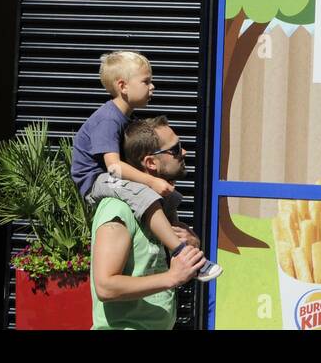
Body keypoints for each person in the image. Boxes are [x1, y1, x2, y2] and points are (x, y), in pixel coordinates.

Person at [71, 50, 220, 281]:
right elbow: (113, 167)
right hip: (94, 180)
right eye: (146, 81)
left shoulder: (124, 118)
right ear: (123, 86)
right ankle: (180, 252)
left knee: (169, 196)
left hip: (108, 177)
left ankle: (176, 242)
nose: (153, 87)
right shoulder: (109, 119)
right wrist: (151, 180)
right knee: (144, 192)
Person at [90, 117, 206, 330]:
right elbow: (105, 286)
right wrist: (171, 277)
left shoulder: (160, 209)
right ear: (151, 162)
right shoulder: (118, 209)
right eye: (176, 149)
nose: (184, 153)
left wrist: (191, 248)